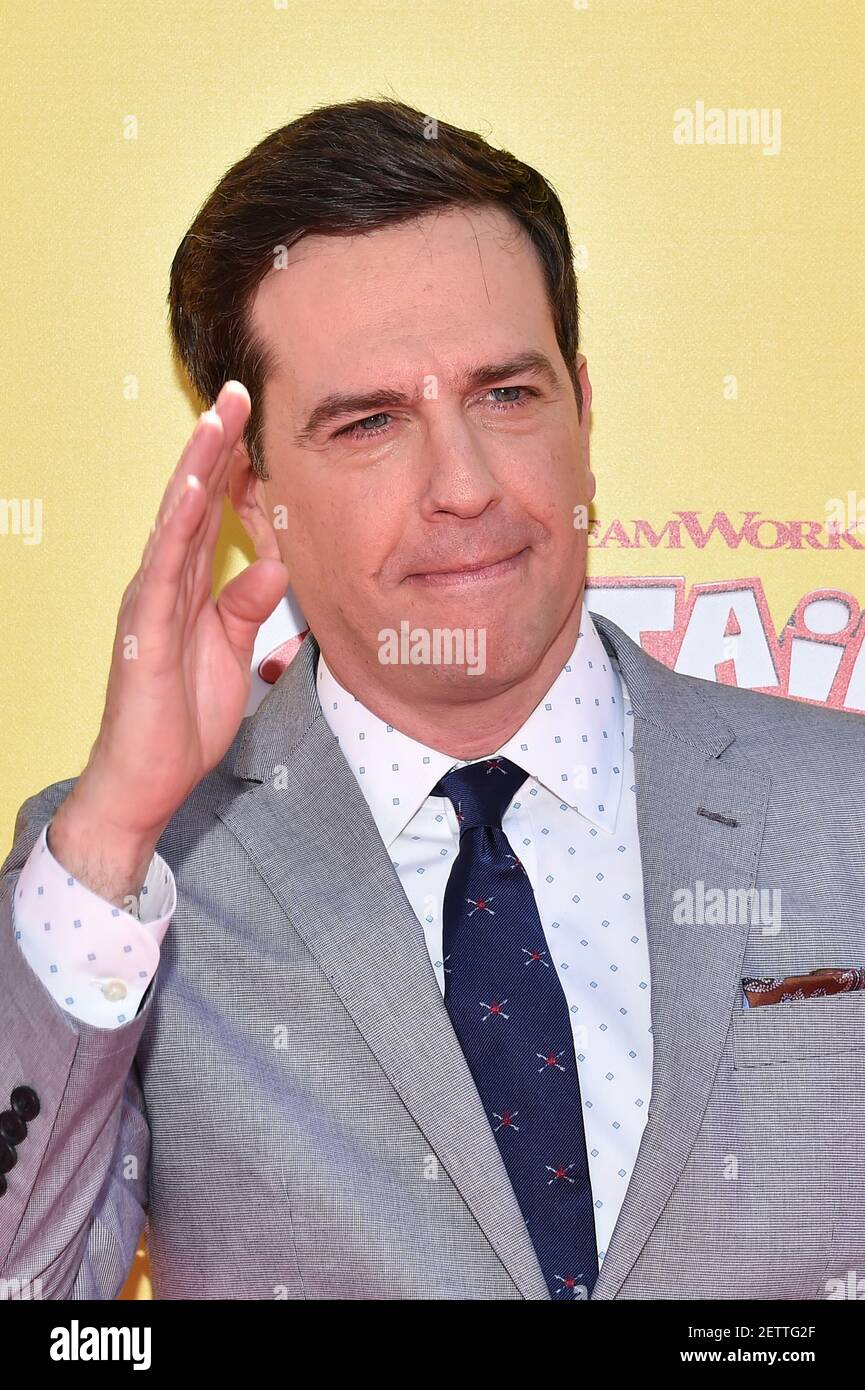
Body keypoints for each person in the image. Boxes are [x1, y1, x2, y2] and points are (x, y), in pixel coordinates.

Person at [1, 98, 864, 1302]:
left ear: (581, 408)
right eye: (369, 423)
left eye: (506, 395)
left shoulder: (845, 810)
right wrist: (106, 839)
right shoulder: (136, 885)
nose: (462, 484)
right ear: (256, 493)